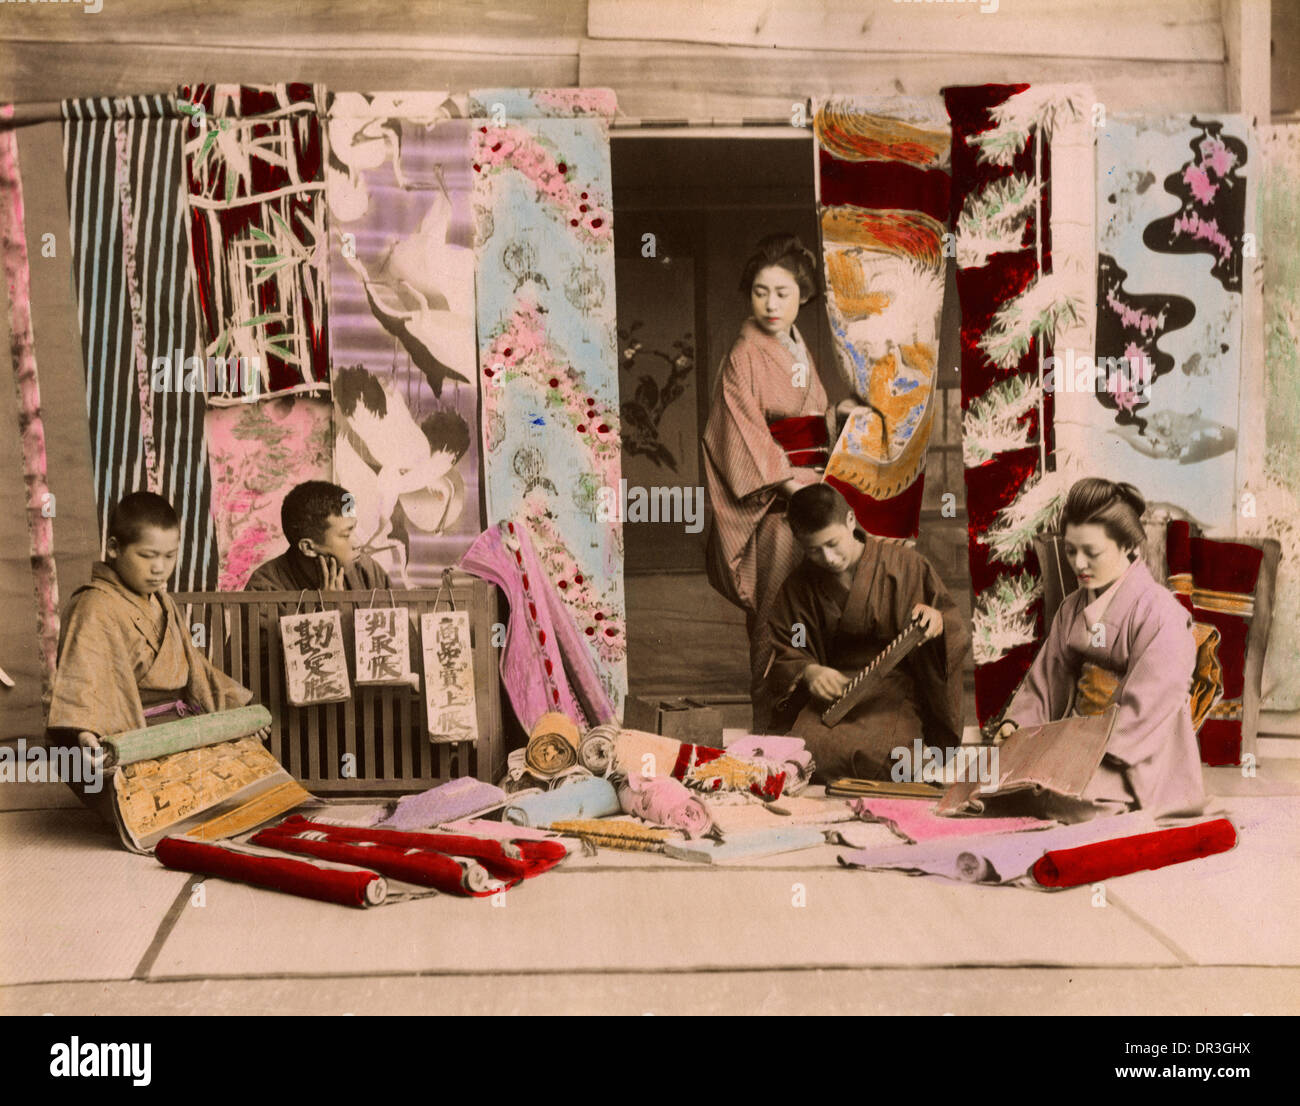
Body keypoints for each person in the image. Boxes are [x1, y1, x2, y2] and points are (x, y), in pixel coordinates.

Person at [702, 233, 854, 730]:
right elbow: (741, 433)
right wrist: (796, 491)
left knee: (824, 603)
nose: (770, 303)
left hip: (812, 491)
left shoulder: (793, 344)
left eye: (782, 293)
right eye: (760, 292)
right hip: (778, 509)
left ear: (803, 296)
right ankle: (771, 730)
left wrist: (839, 417)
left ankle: (816, 728)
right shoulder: (745, 353)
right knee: (776, 615)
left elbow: (811, 419)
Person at [993, 478, 1205, 819]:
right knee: (994, 780)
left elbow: (1145, 709)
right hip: (1078, 741)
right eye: (1071, 550)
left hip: (1135, 755)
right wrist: (1017, 726)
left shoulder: (1163, 615)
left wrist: (1071, 750)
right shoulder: (1072, 608)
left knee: (1071, 800)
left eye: (1092, 552)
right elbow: (1045, 684)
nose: (1079, 564)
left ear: (1128, 547)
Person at [45, 492, 258, 820]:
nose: (160, 568)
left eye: (169, 556)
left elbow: (197, 669)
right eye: (147, 556)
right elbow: (83, 677)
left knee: (247, 793)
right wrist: (84, 732)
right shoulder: (94, 605)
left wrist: (236, 711)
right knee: (187, 811)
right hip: (127, 736)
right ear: (114, 548)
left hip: (179, 727)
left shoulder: (163, 601)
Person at [766, 484, 968, 782]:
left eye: (833, 543)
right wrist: (809, 672)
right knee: (801, 756)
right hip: (834, 696)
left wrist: (936, 621)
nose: (829, 557)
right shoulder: (799, 585)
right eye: (813, 550)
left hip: (894, 691)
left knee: (895, 763)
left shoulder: (905, 567)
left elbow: (948, 623)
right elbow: (788, 645)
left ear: (850, 521)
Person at [244, 480, 392, 594]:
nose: (358, 543)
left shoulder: (367, 570)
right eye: (346, 535)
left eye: (354, 529)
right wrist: (326, 614)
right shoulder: (265, 587)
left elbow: (401, 632)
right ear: (308, 547)